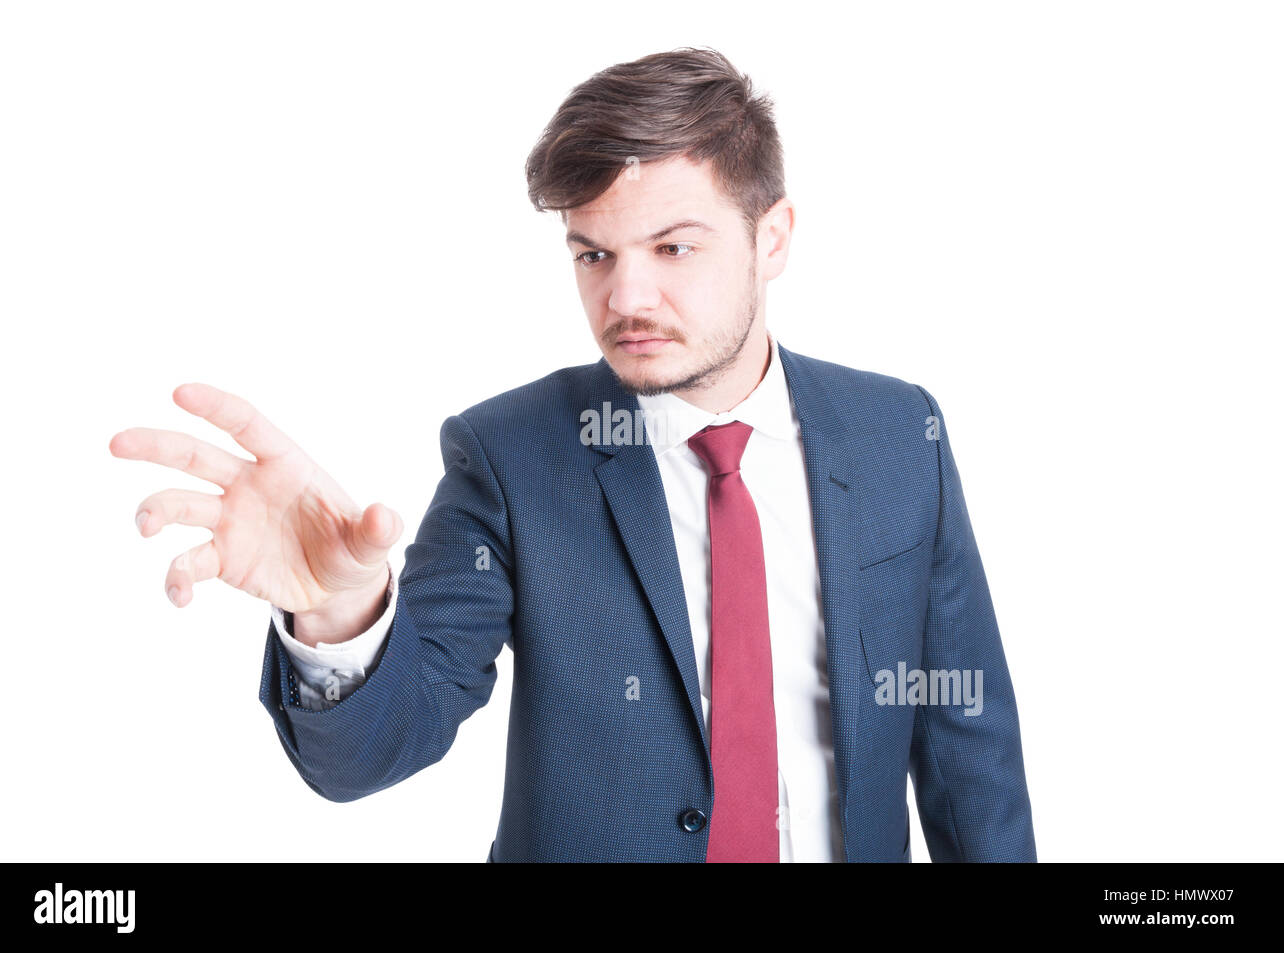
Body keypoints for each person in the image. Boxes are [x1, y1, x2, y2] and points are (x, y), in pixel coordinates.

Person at [109, 47, 1035, 863]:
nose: (627, 295)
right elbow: (382, 744)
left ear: (773, 238)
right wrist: (343, 613)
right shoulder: (510, 456)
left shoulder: (897, 432)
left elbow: (970, 752)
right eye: (592, 255)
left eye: (673, 247)